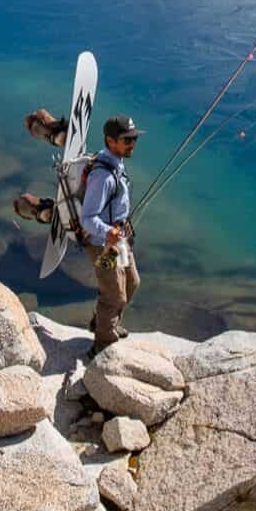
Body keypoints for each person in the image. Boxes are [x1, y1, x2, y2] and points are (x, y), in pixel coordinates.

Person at [79, 115, 143, 355]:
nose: (132, 144)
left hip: (119, 241)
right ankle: (102, 345)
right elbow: (87, 218)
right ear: (110, 141)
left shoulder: (115, 164)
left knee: (132, 283)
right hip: (103, 246)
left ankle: (105, 322)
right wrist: (108, 232)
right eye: (127, 140)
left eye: (134, 139)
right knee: (113, 294)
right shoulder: (103, 177)